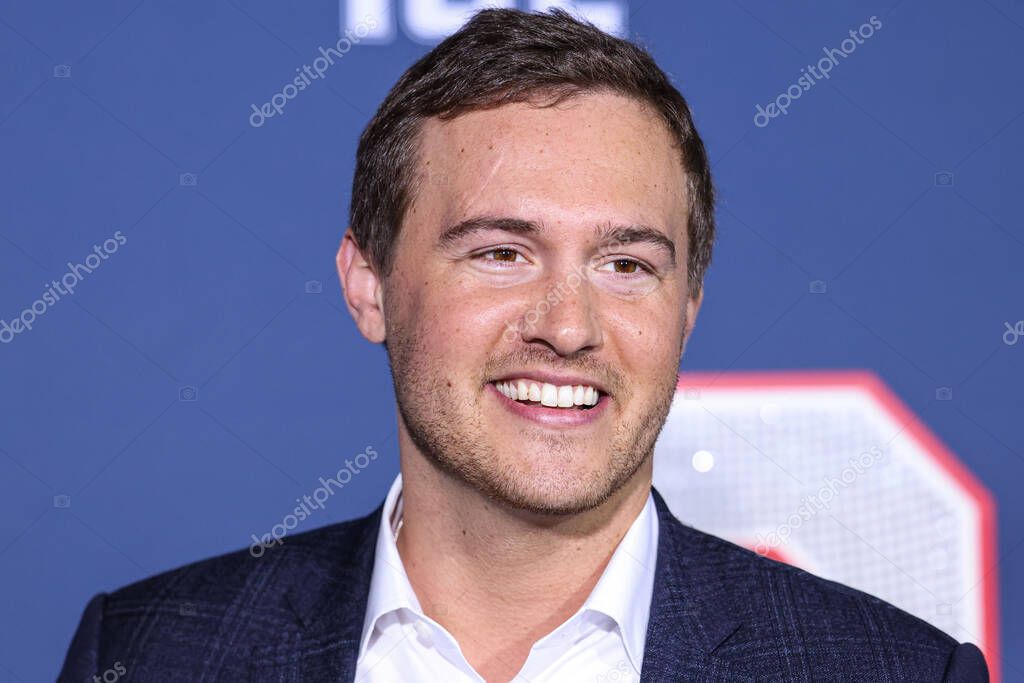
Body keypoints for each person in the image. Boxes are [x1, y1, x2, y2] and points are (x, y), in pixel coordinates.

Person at [60, 8, 989, 681]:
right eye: (502, 252)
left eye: (627, 265)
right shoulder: (148, 654)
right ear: (368, 284)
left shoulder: (894, 671)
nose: (569, 324)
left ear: (690, 306)